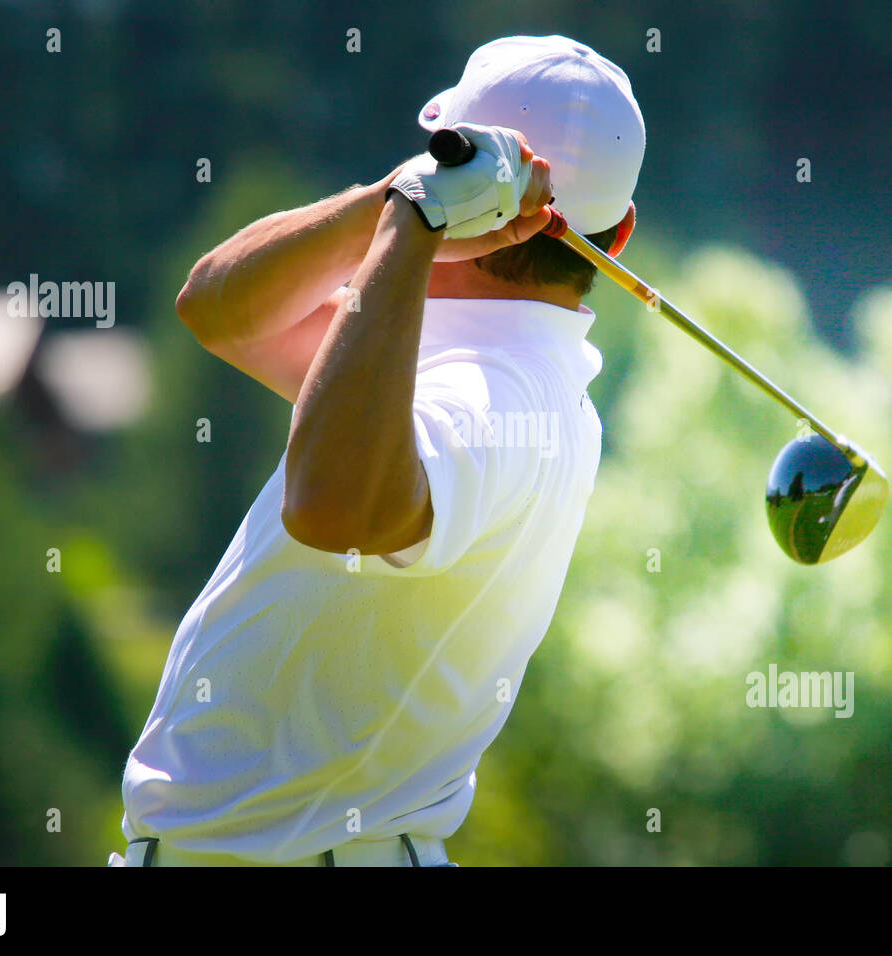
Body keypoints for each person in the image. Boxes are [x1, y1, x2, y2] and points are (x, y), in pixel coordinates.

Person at [109, 35, 645, 867]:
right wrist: (393, 211)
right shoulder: (450, 354)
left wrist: (418, 216)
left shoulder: (495, 390)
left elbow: (335, 509)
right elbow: (215, 307)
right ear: (620, 236)